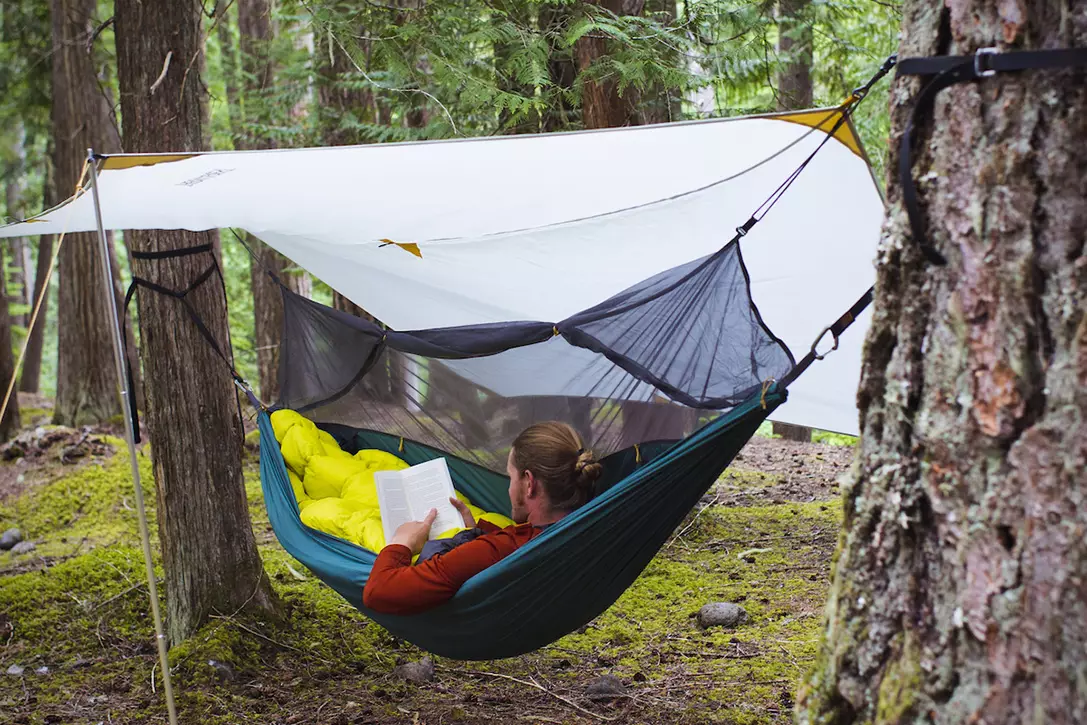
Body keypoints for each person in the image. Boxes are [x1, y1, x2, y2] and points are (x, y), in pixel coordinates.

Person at [362, 421, 603, 615]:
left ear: (529, 483)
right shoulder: (591, 527)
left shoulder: (494, 550)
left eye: (511, 477)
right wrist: (476, 529)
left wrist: (401, 543)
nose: (509, 488)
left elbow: (378, 593)